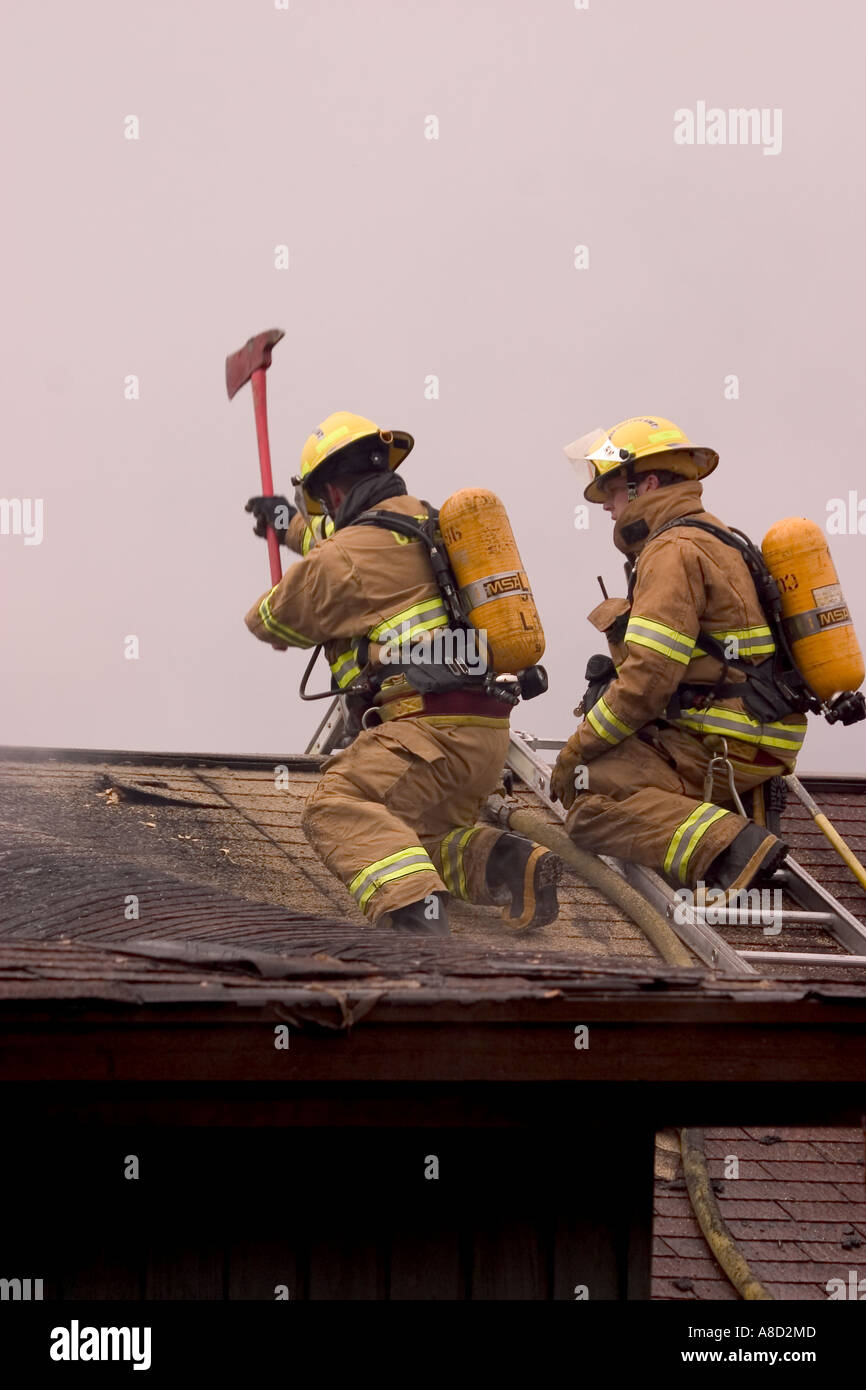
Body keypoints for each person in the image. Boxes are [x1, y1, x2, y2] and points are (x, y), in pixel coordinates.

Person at [244, 410, 560, 936]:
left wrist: (284, 575)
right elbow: (346, 543)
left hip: (424, 727)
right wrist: (289, 529)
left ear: (330, 491)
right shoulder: (429, 523)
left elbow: (272, 620)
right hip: (483, 733)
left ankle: (416, 927)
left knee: (338, 805)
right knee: (415, 838)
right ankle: (510, 863)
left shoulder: (344, 555)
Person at [551, 416, 806, 896]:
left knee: (589, 799)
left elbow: (647, 683)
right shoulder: (720, 538)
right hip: (760, 733)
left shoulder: (671, 550)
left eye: (613, 489)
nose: (606, 503)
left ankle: (730, 845)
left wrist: (577, 750)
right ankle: (730, 811)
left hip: (718, 738)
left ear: (647, 483)